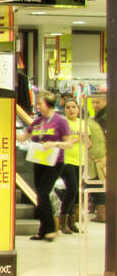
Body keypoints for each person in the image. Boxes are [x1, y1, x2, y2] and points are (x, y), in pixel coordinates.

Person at [17, 89, 69, 243]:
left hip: (54, 161)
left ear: (48, 104)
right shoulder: (38, 122)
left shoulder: (60, 121)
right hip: (39, 160)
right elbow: (23, 137)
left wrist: (55, 143)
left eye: (40, 103)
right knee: (40, 194)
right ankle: (43, 230)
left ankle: (51, 228)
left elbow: (69, 143)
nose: (37, 106)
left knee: (44, 192)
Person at [60, 98, 87, 234]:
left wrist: (86, 141)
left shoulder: (83, 124)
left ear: (78, 109)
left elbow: (88, 142)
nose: (71, 110)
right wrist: (78, 138)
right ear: (64, 110)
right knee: (72, 189)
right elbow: (65, 141)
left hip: (80, 160)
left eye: (73, 107)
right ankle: (63, 221)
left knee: (76, 192)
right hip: (66, 160)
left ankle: (72, 221)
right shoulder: (63, 123)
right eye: (68, 107)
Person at [86, 104, 107, 223]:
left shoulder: (86, 125)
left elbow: (89, 144)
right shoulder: (94, 123)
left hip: (94, 161)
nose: (95, 105)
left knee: (96, 187)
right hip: (99, 160)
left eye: (97, 102)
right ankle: (101, 214)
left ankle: (101, 215)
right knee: (98, 187)